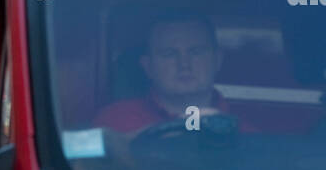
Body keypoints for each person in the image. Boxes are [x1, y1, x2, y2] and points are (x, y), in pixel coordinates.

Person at [96, 14, 253, 133]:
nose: (184, 64)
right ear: (148, 66)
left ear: (217, 61)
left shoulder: (245, 133)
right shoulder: (114, 123)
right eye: (169, 54)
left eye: (196, 52)